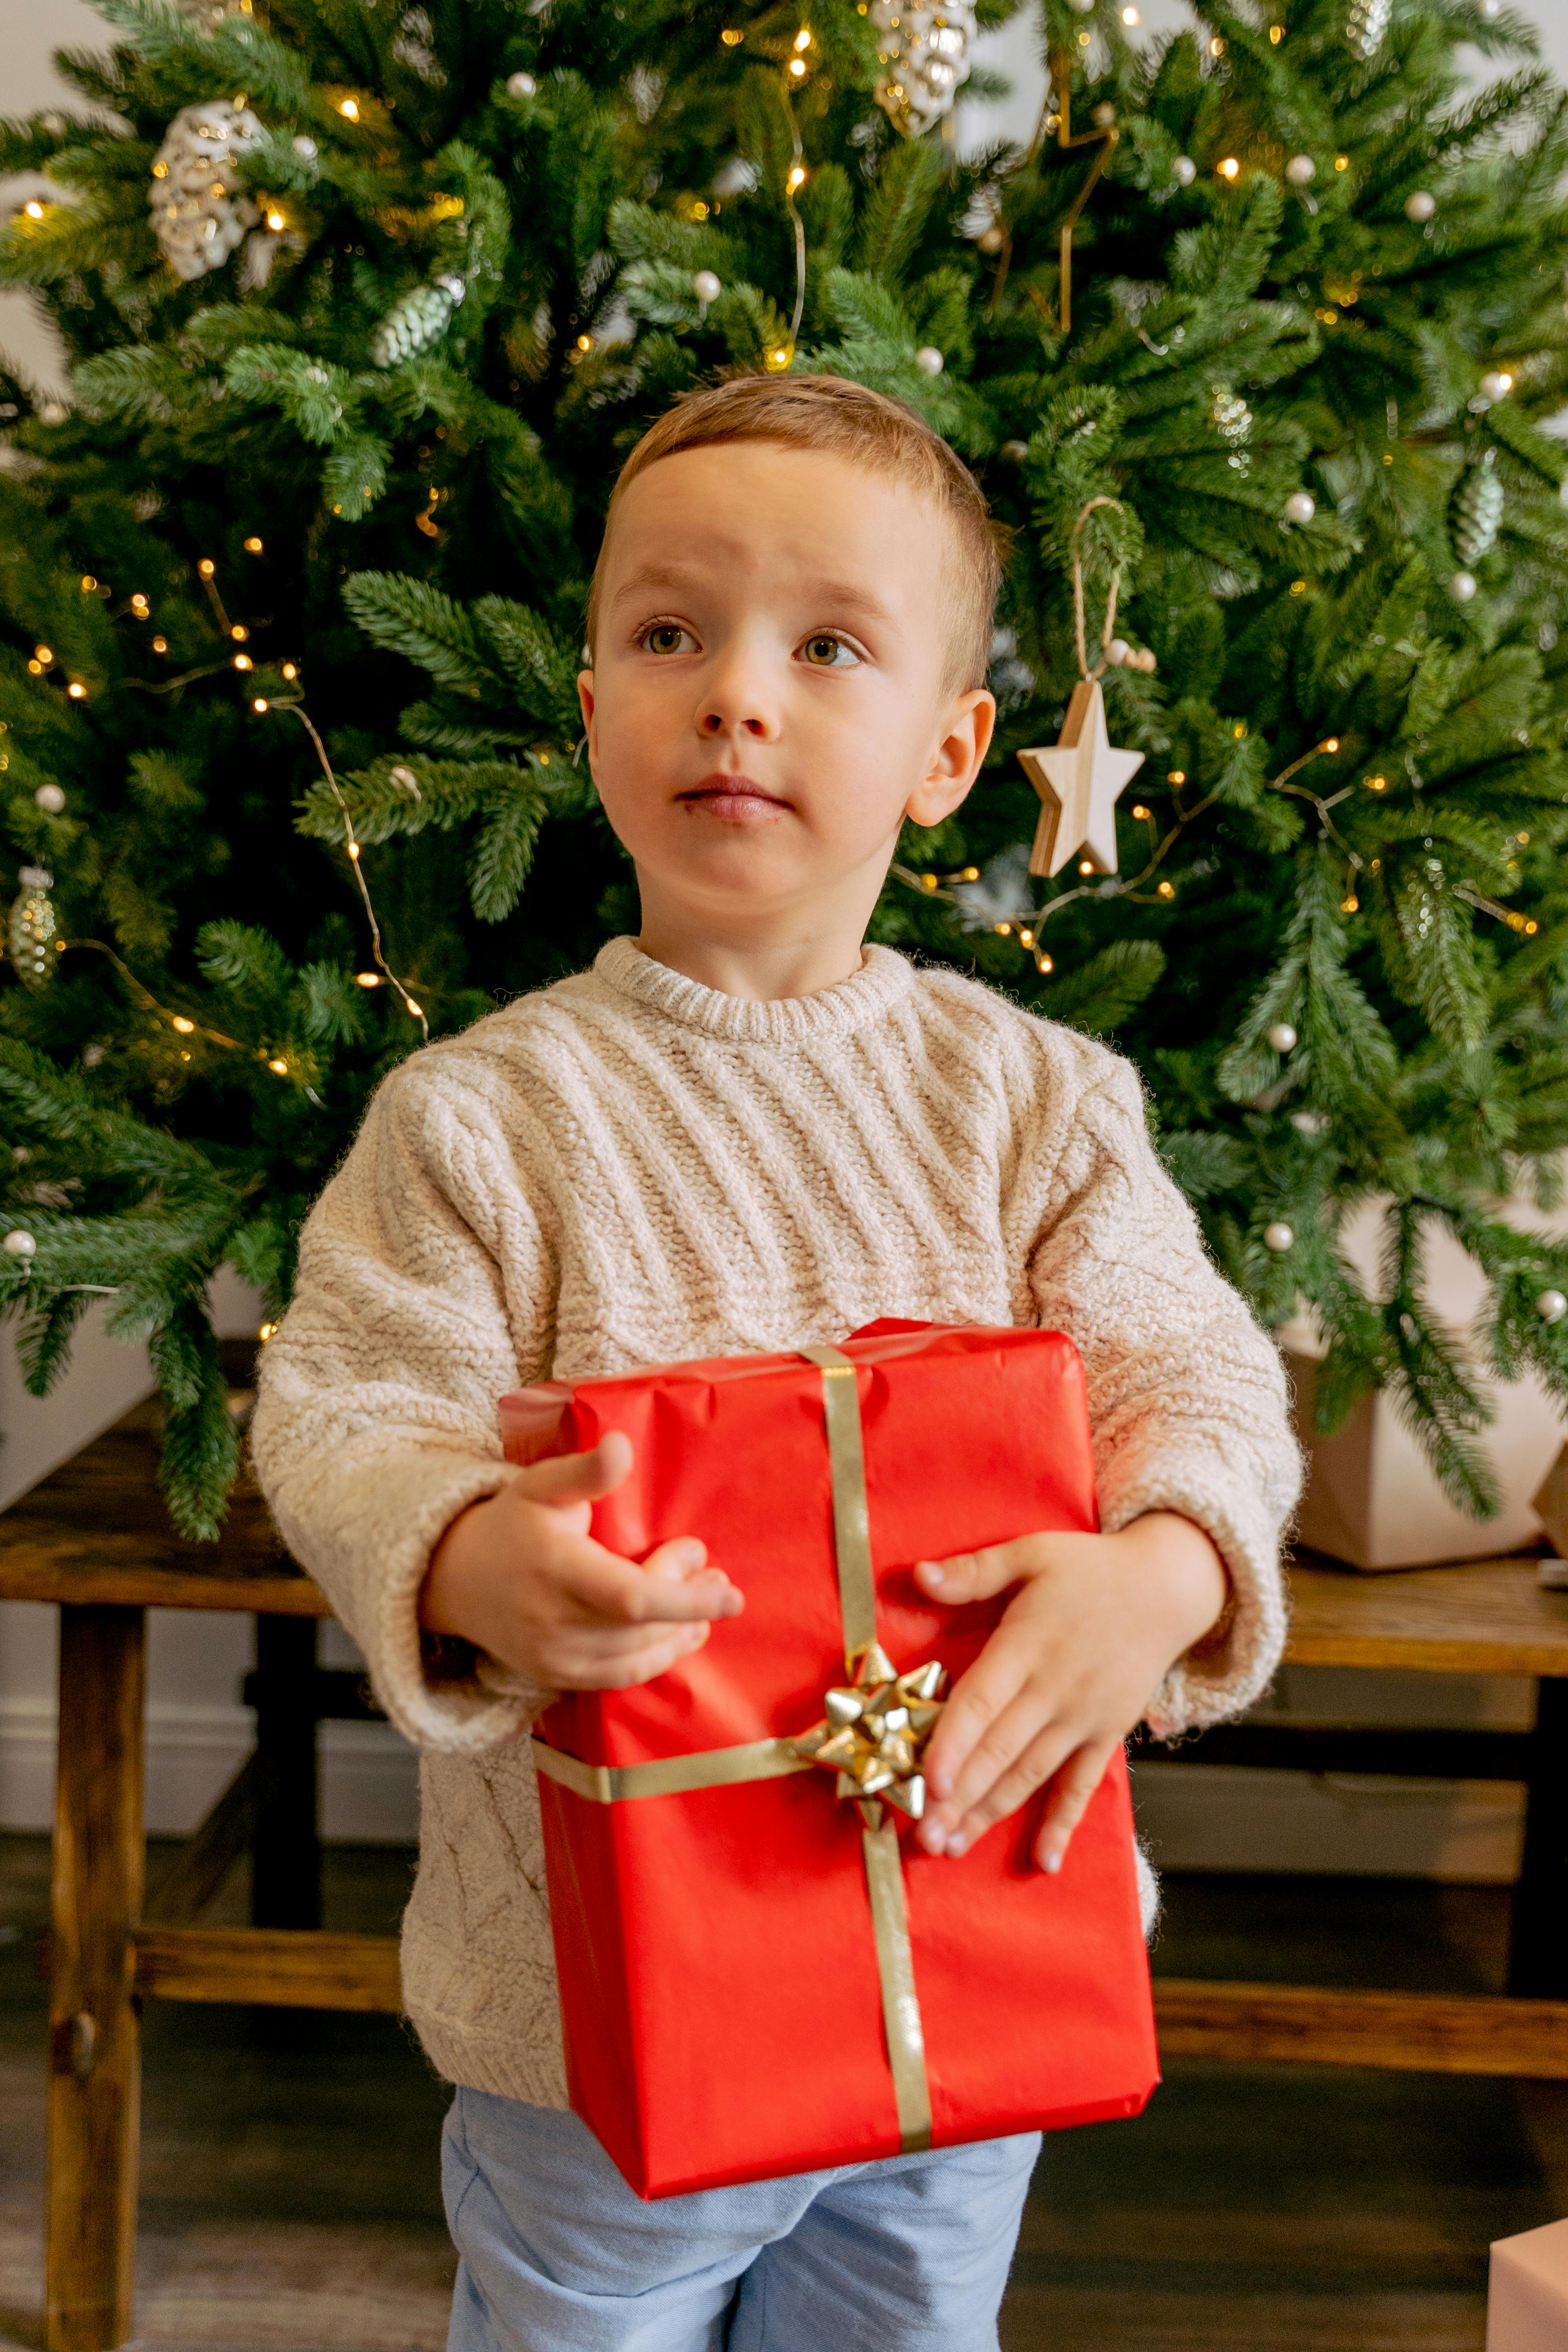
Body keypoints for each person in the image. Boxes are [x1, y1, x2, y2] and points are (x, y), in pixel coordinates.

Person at [251, 373, 1300, 2352]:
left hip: (969, 1965)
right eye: (671, 633)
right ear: (592, 712)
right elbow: (347, 1412)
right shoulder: (478, 1120)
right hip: (600, 2039)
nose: (737, 694)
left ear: (950, 751)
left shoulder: (1039, 1107)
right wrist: (459, 1553)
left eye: (827, 647)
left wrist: (1164, 1575)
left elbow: (1201, 1380)